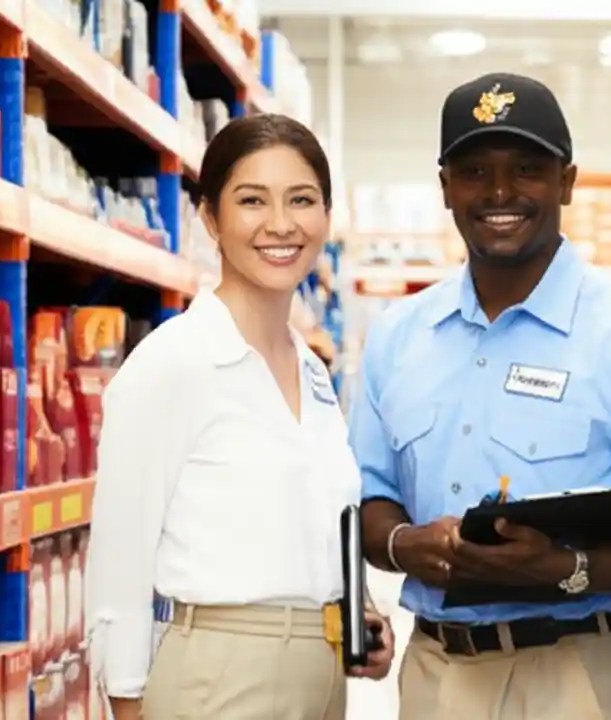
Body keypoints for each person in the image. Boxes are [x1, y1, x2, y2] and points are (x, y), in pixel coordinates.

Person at [348, 72, 611, 720]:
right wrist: (403, 546)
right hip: (435, 677)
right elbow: (369, 498)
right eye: (473, 171)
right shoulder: (398, 338)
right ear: (444, 187)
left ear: (567, 181)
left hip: (572, 678)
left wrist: (565, 566)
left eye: (527, 168)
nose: (499, 192)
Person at [83, 114, 395, 720]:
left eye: (301, 200)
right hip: (215, 676)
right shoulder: (173, 365)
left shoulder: (311, 373)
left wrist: (359, 609)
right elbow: (118, 567)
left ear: (325, 217)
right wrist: (126, 704)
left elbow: (308, 526)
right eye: (252, 200)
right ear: (210, 219)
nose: (280, 224)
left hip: (322, 673)